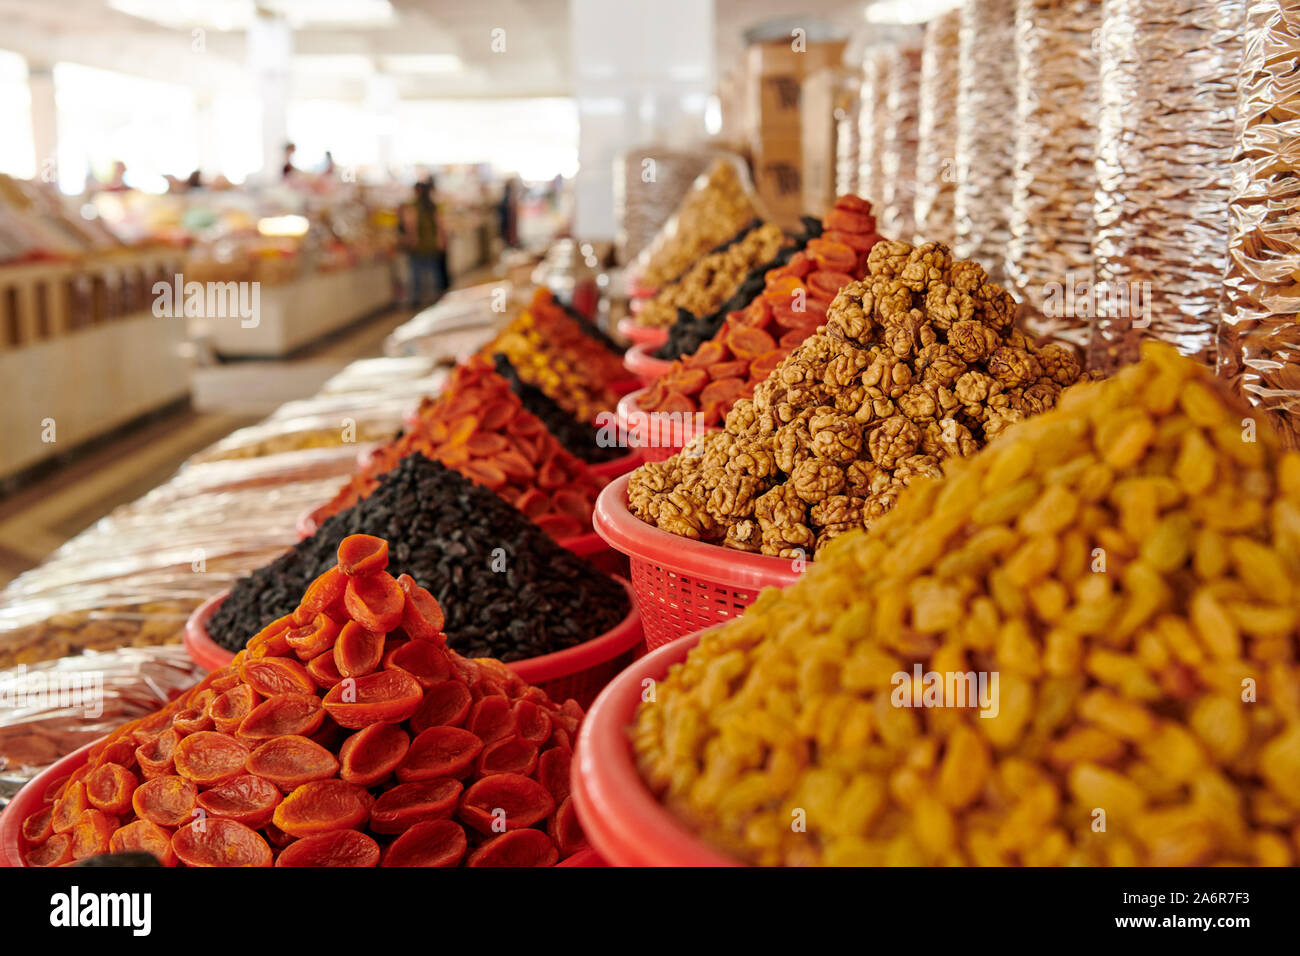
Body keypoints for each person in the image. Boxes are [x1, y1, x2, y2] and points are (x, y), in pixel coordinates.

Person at [399, 178, 447, 308]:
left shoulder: (413, 206)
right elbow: (440, 224)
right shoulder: (432, 205)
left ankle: (416, 299)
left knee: (416, 273)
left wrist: (411, 239)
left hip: (419, 244)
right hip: (432, 243)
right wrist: (441, 239)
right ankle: (435, 297)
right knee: (433, 271)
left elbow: (411, 225)